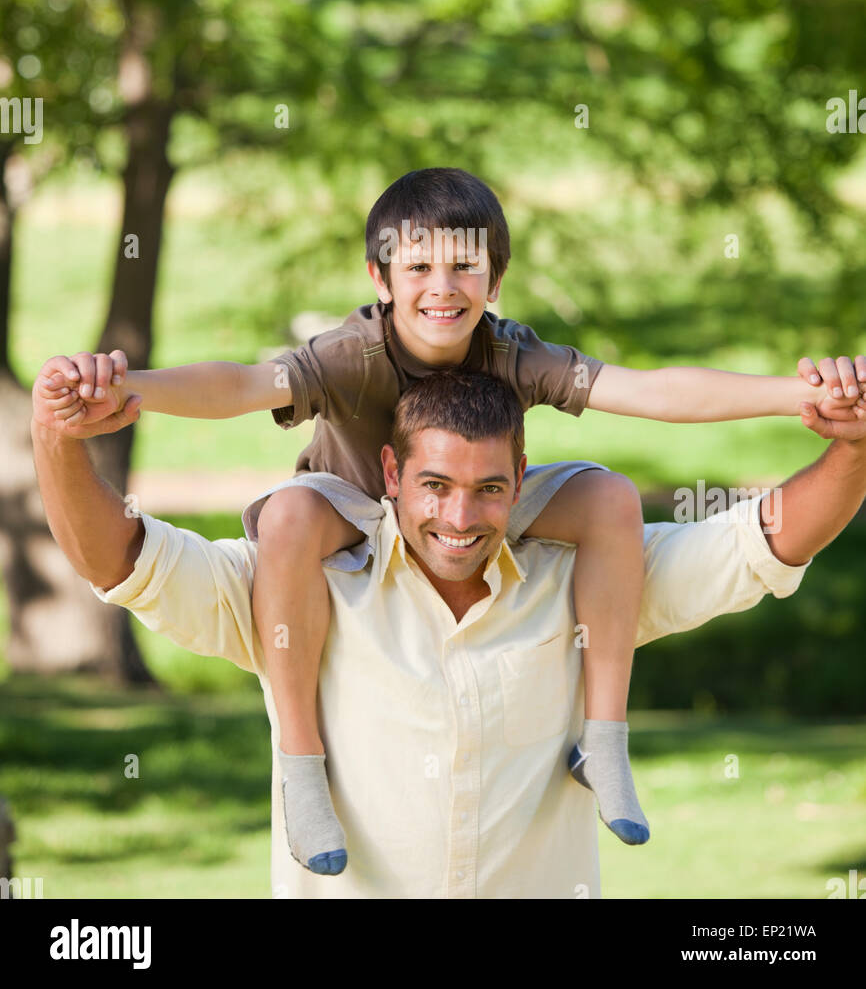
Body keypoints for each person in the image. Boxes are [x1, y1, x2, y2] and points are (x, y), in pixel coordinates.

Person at [37, 168, 866, 873]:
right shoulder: (351, 356)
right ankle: (301, 763)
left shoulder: (512, 352)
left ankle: (604, 738)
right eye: (419, 265)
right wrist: (128, 389)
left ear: (494, 281)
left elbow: (651, 391)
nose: (442, 286)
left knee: (612, 495)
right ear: (380, 276)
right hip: (355, 507)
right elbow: (241, 386)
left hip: (474, 497)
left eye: (465, 266)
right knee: (289, 515)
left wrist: (801, 397)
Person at [30, 364, 866, 899]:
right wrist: (58, 440)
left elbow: (760, 542)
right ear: (390, 474)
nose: (460, 518)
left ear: (523, 482)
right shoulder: (302, 590)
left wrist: (853, 447)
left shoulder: (584, 586)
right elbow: (122, 560)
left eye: (488, 489)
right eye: (434, 485)